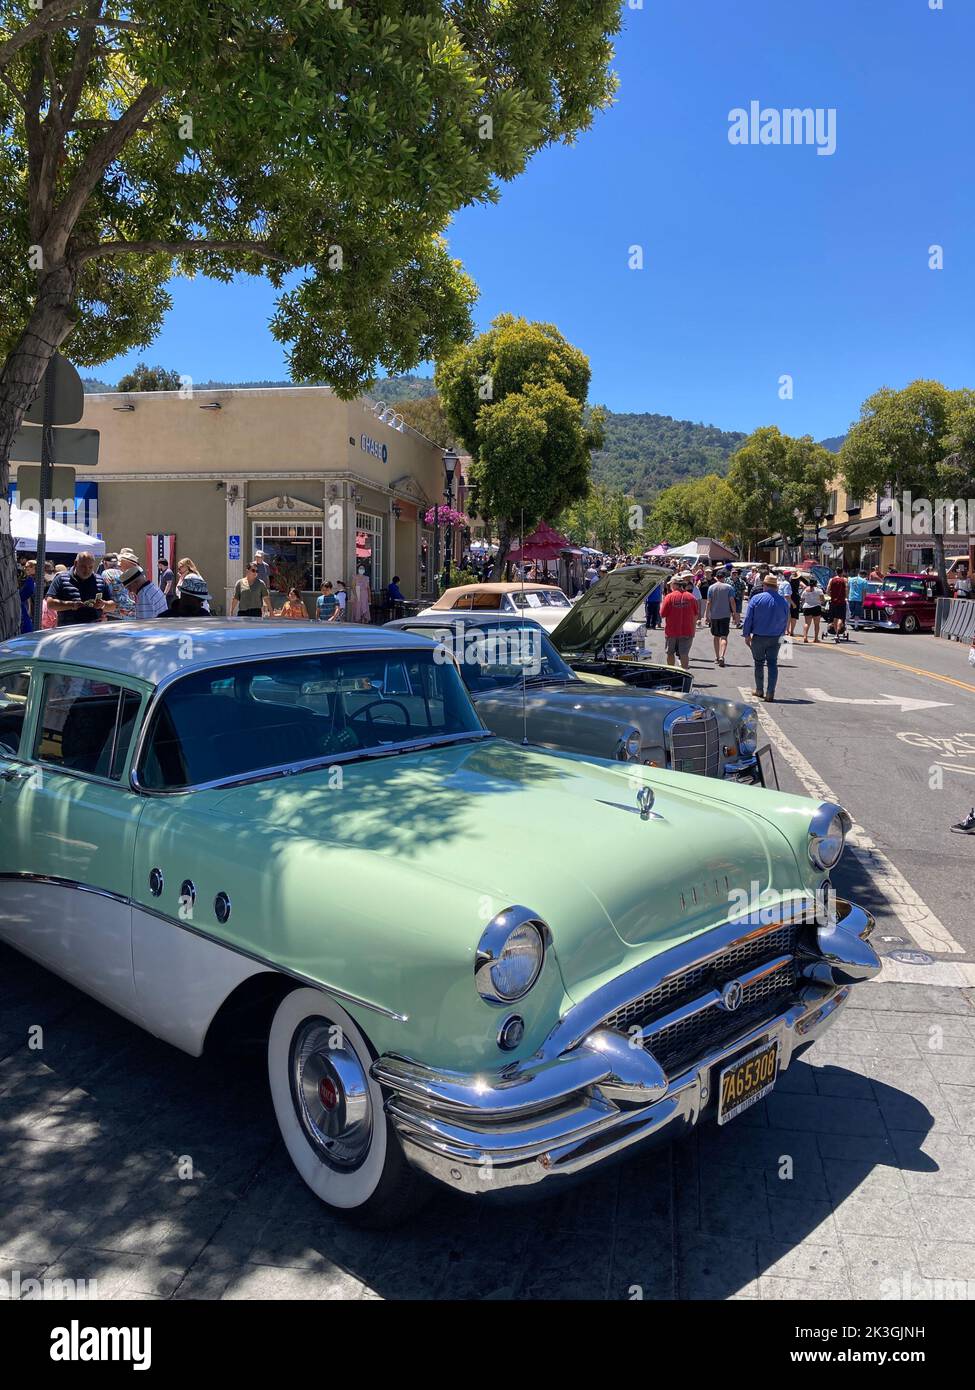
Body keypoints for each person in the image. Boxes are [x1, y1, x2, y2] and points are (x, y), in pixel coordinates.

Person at [743, 573, 789, 702]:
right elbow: (786, 620)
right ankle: (770, 692)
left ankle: (759, 690)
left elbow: (748, 618)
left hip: (759, 636)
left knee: (758, 663)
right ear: (775, 587)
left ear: (765, 585)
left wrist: (746, 634)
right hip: (776, 636)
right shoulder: (783, 601)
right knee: (773, 663)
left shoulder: (756, 599)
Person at [45, 551, 115, 626]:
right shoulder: (61, 579)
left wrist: (103, 604)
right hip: (69, 629)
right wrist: (72, 605)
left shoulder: (100, 580)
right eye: (83, 566)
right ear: (75, 563)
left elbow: (113, 606)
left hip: (94, 629)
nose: (87, 570)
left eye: (90, 567)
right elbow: (50, 603)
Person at [659, 573, 699, 671]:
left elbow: (662, 613)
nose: (670, 586)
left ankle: (672, 672)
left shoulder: (669, 597)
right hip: (687, 630)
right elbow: (696, 615)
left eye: (671, 584)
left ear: (676, 585)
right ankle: (684, 674)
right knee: (684, 654)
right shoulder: (691, 597)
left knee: (670, 653)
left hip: (672, 630)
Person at [703, 572, 737, 666]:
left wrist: (707, 615)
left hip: (714, 615)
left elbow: (709, 602)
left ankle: (717, 657)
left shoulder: (711, 587)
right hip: (725, 615)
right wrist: (734, 613)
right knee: (724, 636)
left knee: (716, 636)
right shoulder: (729, 588)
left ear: (716, 577)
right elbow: (732, 601)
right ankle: (722, 655)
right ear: (724, 577)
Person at [100, 553, 136, 619]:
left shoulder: (105, 573)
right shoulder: (123, 573)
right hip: (129, 612)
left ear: (105, 563)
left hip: (114, 614)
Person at [800, 575, 825, 643]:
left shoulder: (806, 590)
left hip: (807, 607)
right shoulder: (819, 590)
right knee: (816, 624)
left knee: (807, 623)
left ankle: (805, 637)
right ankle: (816, 638)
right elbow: (823, 599)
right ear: (816, 583)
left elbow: (802, 598)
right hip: (816, 607)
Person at [826, 568, 849, 640]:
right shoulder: (844, 580)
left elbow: (827, 590)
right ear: (842, 572)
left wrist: (831, 596)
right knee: (841, 618)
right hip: (842, 602)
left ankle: (836, 633)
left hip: (833, 602)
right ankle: (837, 633)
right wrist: (845, 596)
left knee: (835, 618)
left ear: (836, 572)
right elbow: (847, 590)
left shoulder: (831, 580)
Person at [19, 559, 36, 633]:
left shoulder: (31, 581)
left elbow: (26, 593)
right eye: (25, 567)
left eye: (29, 567)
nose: (25, 569)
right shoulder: (25, 579)